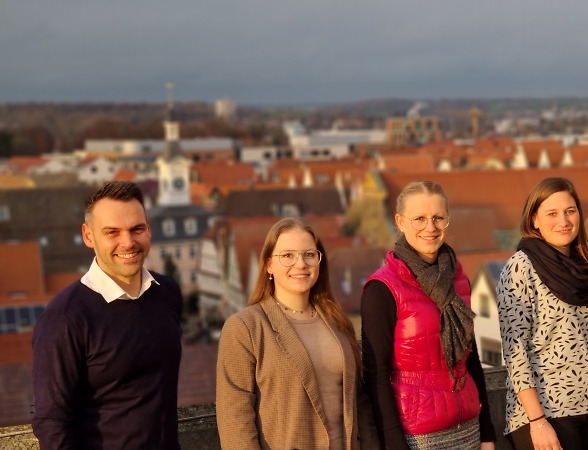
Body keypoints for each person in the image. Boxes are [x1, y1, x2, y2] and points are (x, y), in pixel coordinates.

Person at [31, 180, 183, 449]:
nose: (128, 242)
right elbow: (51, 421)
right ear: (88, 236)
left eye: (137, 229)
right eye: (112, 232)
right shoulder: (65, 318)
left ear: (149, 229)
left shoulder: (167, 293)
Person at [360, 180, 496, 450]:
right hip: (417, 436)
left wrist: (487, 433)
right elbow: (375, 373)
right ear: (400, 221)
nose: (430, 227)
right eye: (419, 218)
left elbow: (471, 357)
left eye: (438, 218)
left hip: (467, 427)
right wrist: (394, 444)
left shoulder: (458, 277)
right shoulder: (382, 288)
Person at [216, 217, 371, 449]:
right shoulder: (245, 327)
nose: (301, 264)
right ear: (269, 264)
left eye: (309, 254)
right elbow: (234, 420)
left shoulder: (337, 323)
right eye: (287, 255)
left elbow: (359, 402)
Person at [497, 177, 588, 450]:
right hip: (546, 415)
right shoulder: (521, 267)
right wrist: (538, 421)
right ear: (534, 219)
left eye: (570, 211)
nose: (564, 221)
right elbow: (515, 351)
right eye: (552, 213)